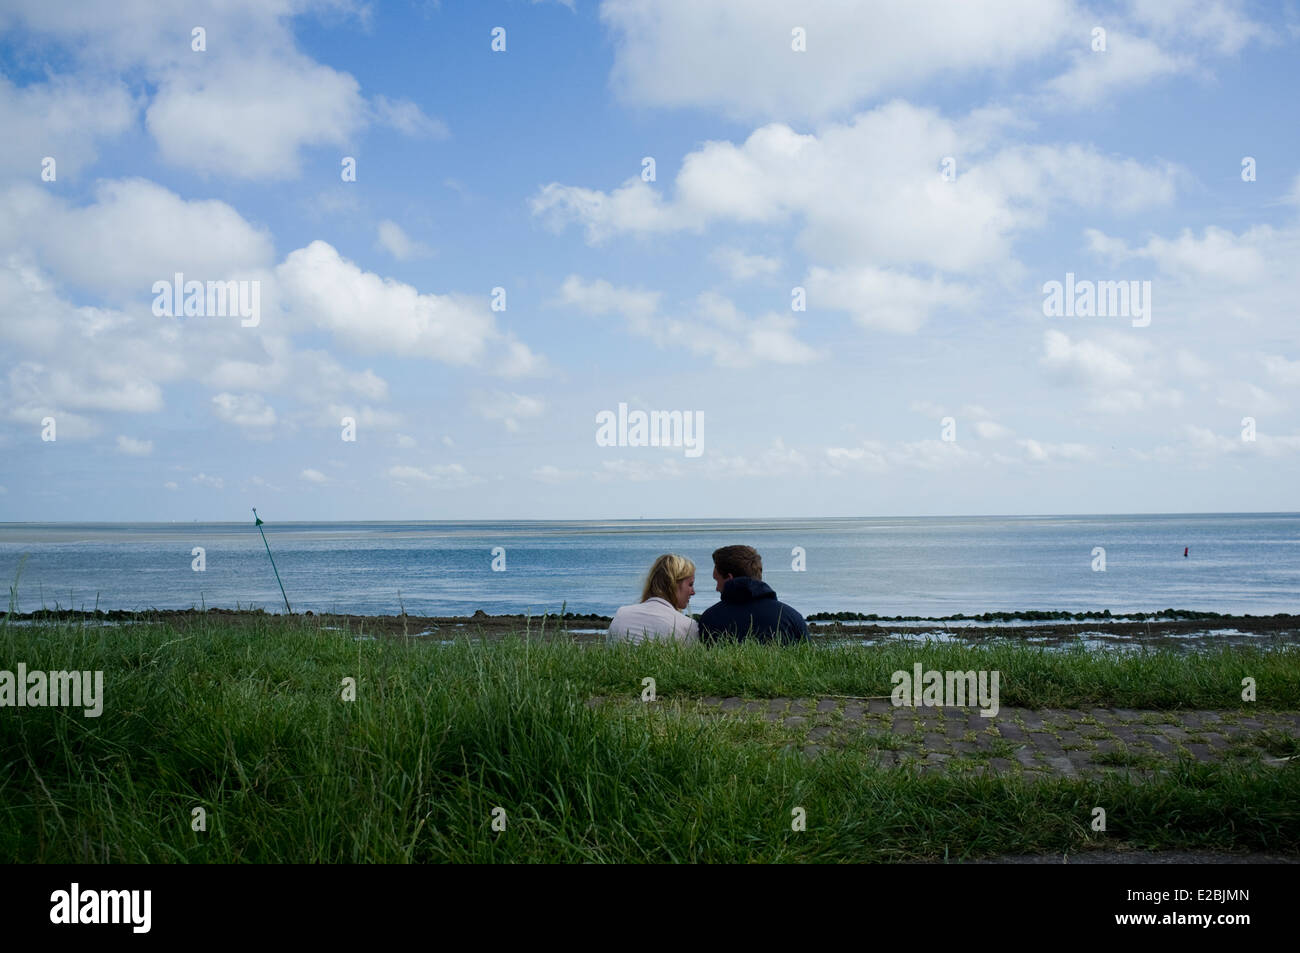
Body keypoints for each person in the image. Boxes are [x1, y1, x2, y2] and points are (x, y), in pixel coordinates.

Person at [698, 545, 808, 645]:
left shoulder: (710, 619)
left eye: (717, 580)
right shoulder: (791, 617)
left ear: (729, 578)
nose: (717, 588)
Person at [607, 554, 699, 644]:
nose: (693, 592)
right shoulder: (688, 627)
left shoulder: (621, 615)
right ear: (673, 585)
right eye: (690, 584)